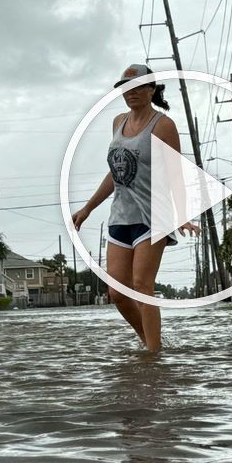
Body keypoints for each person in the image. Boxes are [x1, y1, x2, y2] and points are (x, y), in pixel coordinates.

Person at [71, 64, 198, 351]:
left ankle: (153, 358)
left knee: (142, 286)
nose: (132, 93)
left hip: (153, 216)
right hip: (120, 217)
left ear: (152, 89)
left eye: (139, 87)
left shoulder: (163, 125)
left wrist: (182, 216)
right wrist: (88, 208)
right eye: (127, 88)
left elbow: (177, 173)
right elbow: (116, 172)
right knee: (117, 292)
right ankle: (150, 344)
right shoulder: (117, 122)